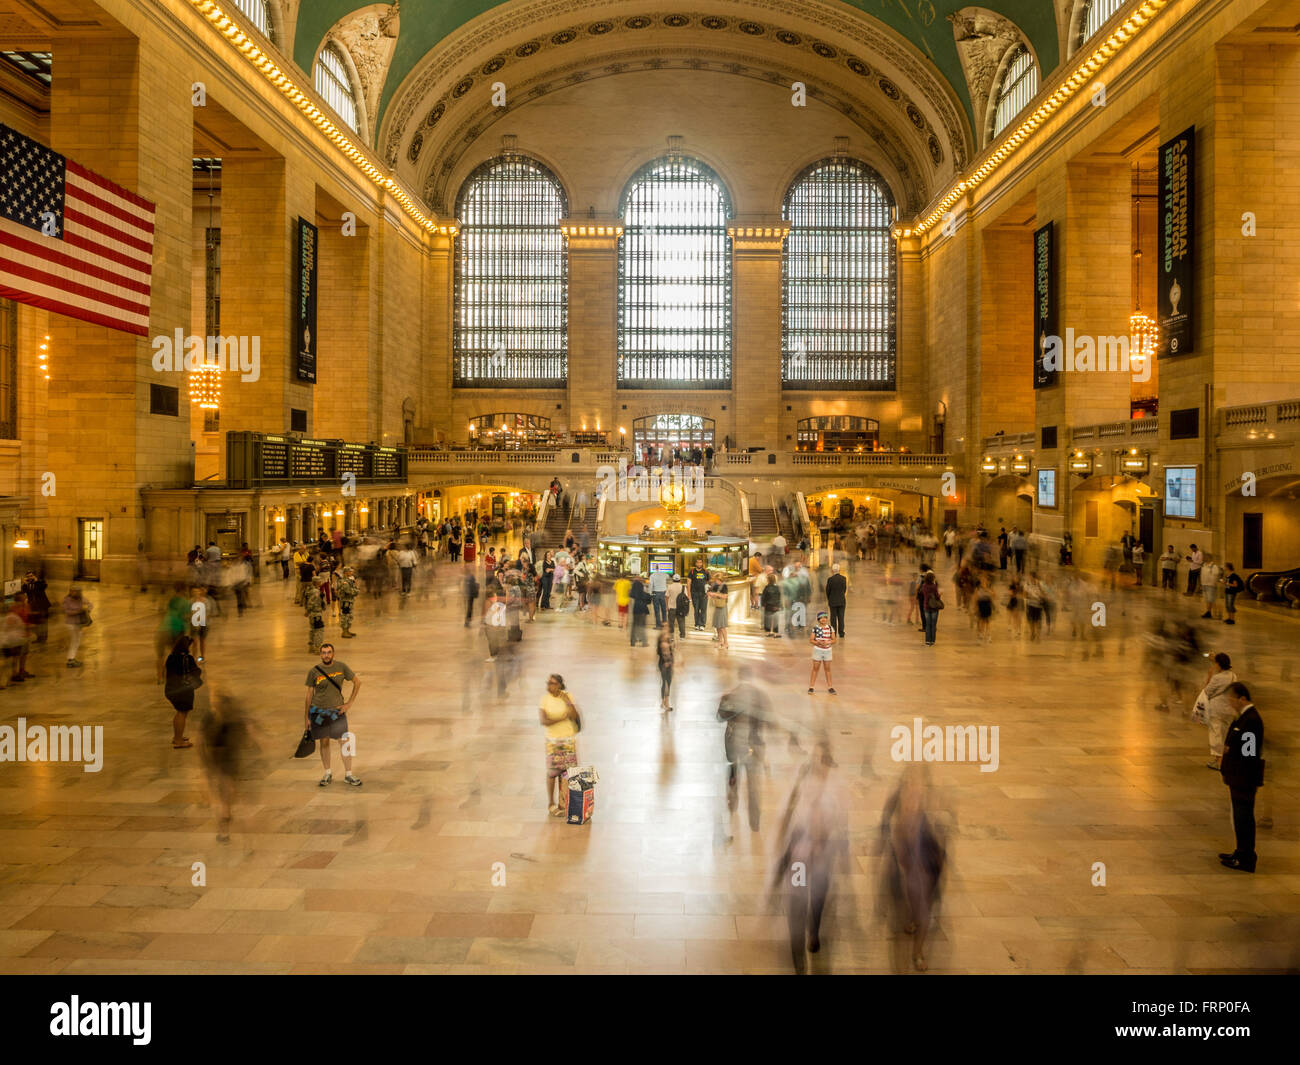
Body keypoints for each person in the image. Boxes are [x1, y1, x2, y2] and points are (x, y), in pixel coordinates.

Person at [772, 744, 847, 975]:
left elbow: (839, 825)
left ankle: (813, 931)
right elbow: (790, 813)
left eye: (821, 759)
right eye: (814, 759)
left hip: (821, 856)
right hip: (799, 855)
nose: (817, 764)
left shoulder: (833, 792)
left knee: (817, 900)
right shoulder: (803, 779)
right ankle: (799, 961)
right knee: (797, 902)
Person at [717, 668, 770, 835]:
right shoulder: (760, 695)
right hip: (754, 746)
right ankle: (754, 821)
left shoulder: (730, 695)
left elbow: (719, 717)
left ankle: (732, 803)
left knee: (733, 774)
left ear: (739, 678)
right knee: (753, 783)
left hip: (734, 745)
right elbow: (768, 718)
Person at [1218, 683, 1263, 872]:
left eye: (1231, 699)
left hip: (1243, 778)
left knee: (1244, 818)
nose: (1229, 702)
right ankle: (1240, 851)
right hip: (1238, 777)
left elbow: (1249, 753)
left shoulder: (1251, 720)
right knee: (1240, 817)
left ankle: (1246, 858)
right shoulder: (1243, 718)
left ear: (1242, 698)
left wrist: (1231, 750)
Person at [303, 643, 362, 787]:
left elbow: (357, 682)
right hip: (318, 712)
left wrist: (349, 703)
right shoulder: (314, 671)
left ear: (333, 654)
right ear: (320, 655)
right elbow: (309, 694)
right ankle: (327, 773)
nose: (326, 655)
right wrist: (306, 717)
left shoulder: (341, 667)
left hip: (337, 711)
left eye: (329, 652)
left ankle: (348, 774)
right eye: (323, 653)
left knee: (344, 741)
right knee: (324, 742)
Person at [539, 674, 580, 818]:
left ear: (560, 685)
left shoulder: (567, 696)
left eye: (553, 683)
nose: (550, 686)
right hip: (553, 741)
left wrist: (568, 701)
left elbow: (574, 716)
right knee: (552, 773)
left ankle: (565, 802)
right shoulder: (545, 699)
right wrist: (562, 717)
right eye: (549, 683)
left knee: (567, 773)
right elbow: (544, 721)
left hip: (568, 740)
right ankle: (551, 803)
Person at [1200, 652, 1238, 770]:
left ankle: (1219, 761)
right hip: (1230, 709)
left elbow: (1207, 691)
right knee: (1225, 733)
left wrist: (1209, 676)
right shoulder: (1233, 676)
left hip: (1216, 709)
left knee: (1216, 734)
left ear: (1218, 664)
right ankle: (1225, 759)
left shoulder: (1217, 677)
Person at [164, 635, 202, 749]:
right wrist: (198, 665)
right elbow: (195, 672)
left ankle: (177, 736)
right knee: (181, 713)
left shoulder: (171, 657)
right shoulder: (187, 658)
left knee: (180, 712)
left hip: (171, 689)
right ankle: (178, 741)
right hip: (183, 690)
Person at [808, 611, 836, 694]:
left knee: (827, 669)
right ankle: (811, 686)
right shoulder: (815, 628)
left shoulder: (830, 628)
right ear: (818, 619)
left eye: (825, 617)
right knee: (815, 668)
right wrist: (818, 643)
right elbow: (811, 640)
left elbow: (834, 639)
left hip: (827, 651)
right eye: (821, 618)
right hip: (818, 650)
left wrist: (829, 642)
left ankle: (830, 687)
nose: (823, 619)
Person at [63, 587, 91, 669]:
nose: (74, 593)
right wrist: (78, 611)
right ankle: (71, 659)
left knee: (76, 642)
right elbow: (66, 611)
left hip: (79, 623)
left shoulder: (81, 599)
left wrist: (87, 610)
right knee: (74, 642)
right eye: (73, 591)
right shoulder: (67, 599)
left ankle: (72, 658)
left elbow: (90, 605)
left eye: (76, 591)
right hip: (71, 624)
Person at [656, 621, 677, 712]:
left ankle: (663, 702)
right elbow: (662, 652)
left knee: (668, 683)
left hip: (669, 663)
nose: (666, 628)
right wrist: (667, 662)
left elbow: (673, 649)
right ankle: (666, 703)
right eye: (664, 626)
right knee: (666, 684)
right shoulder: (661, 639)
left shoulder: (669, 637)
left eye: (667, 626)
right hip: (664, 664)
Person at [920, 571, 943, 646]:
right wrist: (940, 594)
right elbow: (937, 597)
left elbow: (923, 594)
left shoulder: (924, 586)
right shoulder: (934, 586)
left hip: (926, 607)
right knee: (933, 625)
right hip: (934, 608)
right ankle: (932, 641)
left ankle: (927, 641)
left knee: (928, 625)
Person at [707, 572, 730, 650]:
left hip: (722, 607)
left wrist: (716, 595)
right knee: (717, 625)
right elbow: (712, 592)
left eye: (716, 580)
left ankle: (726, 642)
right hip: (717, 606)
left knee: (722, 626)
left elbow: (725, 596)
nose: (715, 581)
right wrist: (710, 594)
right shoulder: (716, 586)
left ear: (720, 579)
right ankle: (720, 641)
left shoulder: (724, 586)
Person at [825, 563, 847, 639]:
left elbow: (827, 591)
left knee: (833, 618)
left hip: (832, 601)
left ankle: (833, 633)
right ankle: (841, 633)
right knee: (841, 617)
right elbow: (844, 589)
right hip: (841, 600)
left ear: (832, 570)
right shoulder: (844, 578)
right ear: (839, 570)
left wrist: (830, 598)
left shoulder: (830, 579)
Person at [337, 566, 359, 637]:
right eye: (350, 571)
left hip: (349, 601)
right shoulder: (344, 581)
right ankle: (344, 632)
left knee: (349, 616)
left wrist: (355, 589)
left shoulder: (349, 580)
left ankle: (347, 630)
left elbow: (354, 587)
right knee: (345, 616)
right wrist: (356, 591)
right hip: (345, 601)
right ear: (346, 572)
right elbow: (348, 591)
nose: (351, 573)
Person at [629, 576, 651, 647]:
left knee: (634, 625)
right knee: (641, 626)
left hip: (635, 609)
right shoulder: (643, 593)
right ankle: (644, 642)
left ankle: (633, 641)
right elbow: (649, 599)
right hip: (642, 609)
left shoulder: (634, 593)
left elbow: (631, 595)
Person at [761, 567, 783, 638]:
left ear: (768, 580)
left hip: (768, 605)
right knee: (775, 619)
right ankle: (775, 632)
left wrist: (763, 604)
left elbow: (763, 597)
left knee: (768, 619)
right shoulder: (778, 588)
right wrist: (781, 605)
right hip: (776, 605)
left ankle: (769, 631)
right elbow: (780, 597)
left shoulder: (766, 588)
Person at [689, 561, 709, 630]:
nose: (699, 564)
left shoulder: (705, 571)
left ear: (702, 563)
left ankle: (702, 624)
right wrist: (689, 595)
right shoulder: (692, 571)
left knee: (703, 610)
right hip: (694, 594)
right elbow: (688, 583)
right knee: (696, 610)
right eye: (697, 562)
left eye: (700, 562)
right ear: (695, 563)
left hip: (704, 594)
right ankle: (697, 624)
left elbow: (709, 581)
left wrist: (708, 591)